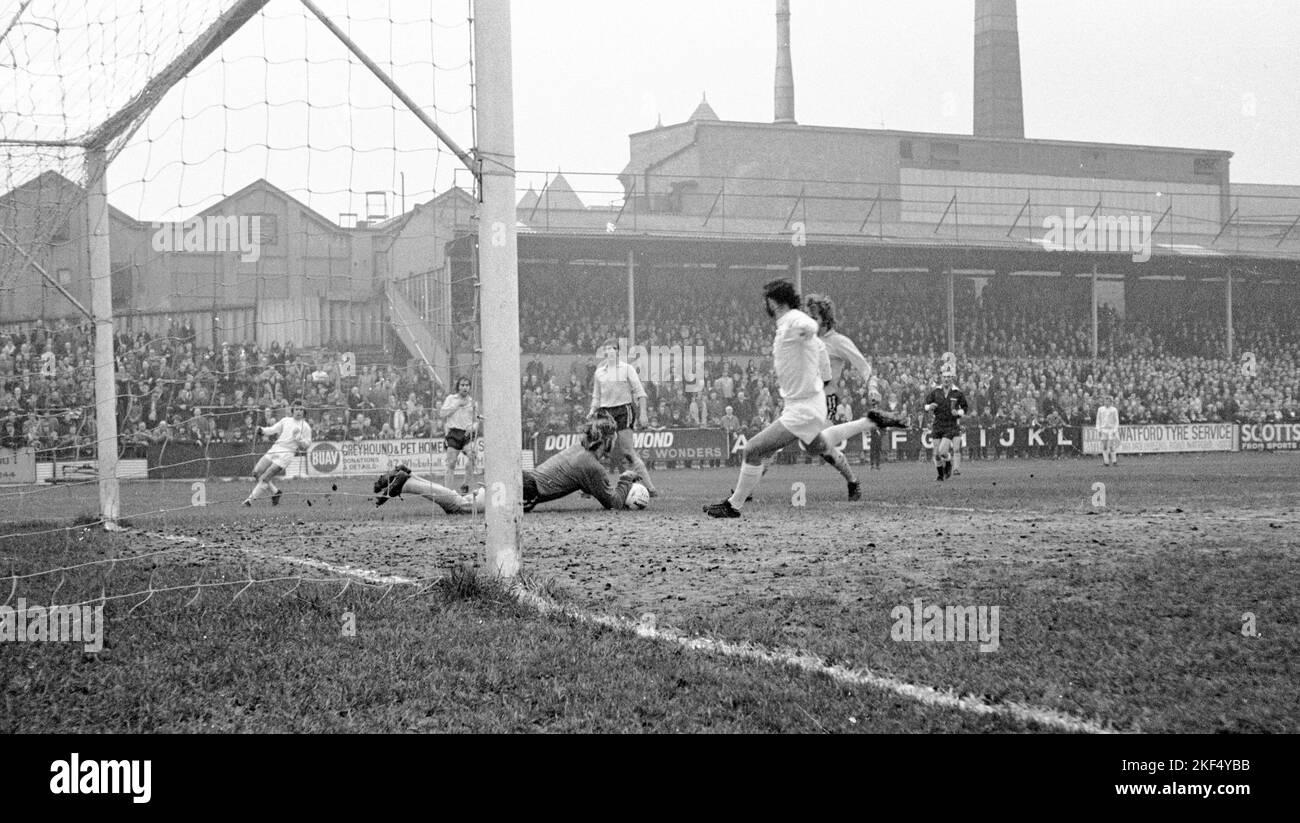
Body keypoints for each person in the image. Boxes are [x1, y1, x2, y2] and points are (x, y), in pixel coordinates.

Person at [704, 280, 836, 518]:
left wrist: (807, 329)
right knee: (820, 447)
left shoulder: (794, 321)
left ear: (773, 302)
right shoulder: (786, 323)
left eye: (766, 300)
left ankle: (733, 505)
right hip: (802, 405)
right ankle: (866, 425)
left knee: (753, 449)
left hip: (803, 409)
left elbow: (808, 325)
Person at [375, 417, 634, 512]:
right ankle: (407, 483)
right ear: (606, 441)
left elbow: (583, 484)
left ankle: (408, 478)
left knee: (463, 501)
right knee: (460, 506)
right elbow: (613, 503)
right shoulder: (591, 465)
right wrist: (627, 479)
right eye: (614, 442)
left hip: (525, 480)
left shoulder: (577, 450)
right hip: (527, 490)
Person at [589, 338, 657, 496]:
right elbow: (596, 396)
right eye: (606, 348)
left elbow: (640, 393)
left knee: (627, 451)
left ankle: (650, 488)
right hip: (605, 412)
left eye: (612, 348)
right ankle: (590, 488)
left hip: (623, 411)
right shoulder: (599, 372)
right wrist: (591, 411)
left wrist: (643, 414)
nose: (609, 351)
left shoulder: (627, 369)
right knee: (596, 451)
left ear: (618, 351)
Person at [242, 399, 312, 506]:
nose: (298, 411)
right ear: (292, 410)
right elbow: (272, 430)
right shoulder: (285, 420)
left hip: (287, 453)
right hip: (276, 448)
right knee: (256, 472)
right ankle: (276, 492)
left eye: (301, 410)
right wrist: (262, 430)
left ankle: (249, 501)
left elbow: (307, 445)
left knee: (266, 477)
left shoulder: (306, 426)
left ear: (304, 412)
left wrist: (299, 439)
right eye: (297, 409)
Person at [924, 366, 968, 482]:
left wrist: (958, 412)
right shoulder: (936, 391)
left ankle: (948, 462)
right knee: (936, 454)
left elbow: (965, 408)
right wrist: (930, 407)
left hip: (950, 426)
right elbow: (926, 405)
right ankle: (940, 476)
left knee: (942, 451)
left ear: (952, 378)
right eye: (944, 377)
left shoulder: (957, 393)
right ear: (941, 378)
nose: (946, 379)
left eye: (948, 377)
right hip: (937, 424)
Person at [438, 375, 478, 490]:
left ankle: (465, 485)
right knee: (451, 463)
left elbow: (477, 421)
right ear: (458, 387)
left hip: (466, 434)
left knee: (473, 455)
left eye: (467, 385)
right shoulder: (451, 398)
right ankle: (448, 492)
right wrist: (457, 405)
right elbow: (442, 414)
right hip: (453, 433)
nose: (465, 387)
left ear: (469, 387)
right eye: (462, 385)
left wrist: (473, 427)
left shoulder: (473, 402)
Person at [1096, 393, 1121, 466]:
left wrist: (1114, 430)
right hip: (1103, 430)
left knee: (1111, 446)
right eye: (1105, 401)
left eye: (1108, 401)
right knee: (1104, 446)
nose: (1106, 402)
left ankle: (1114, 461)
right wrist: (1099, 429)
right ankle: (1106, 461)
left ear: (1111, 402)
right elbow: (1098, 420)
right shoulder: (1100, 409)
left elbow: (1116, 421)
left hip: (1111, 430)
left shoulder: (1114, 410)